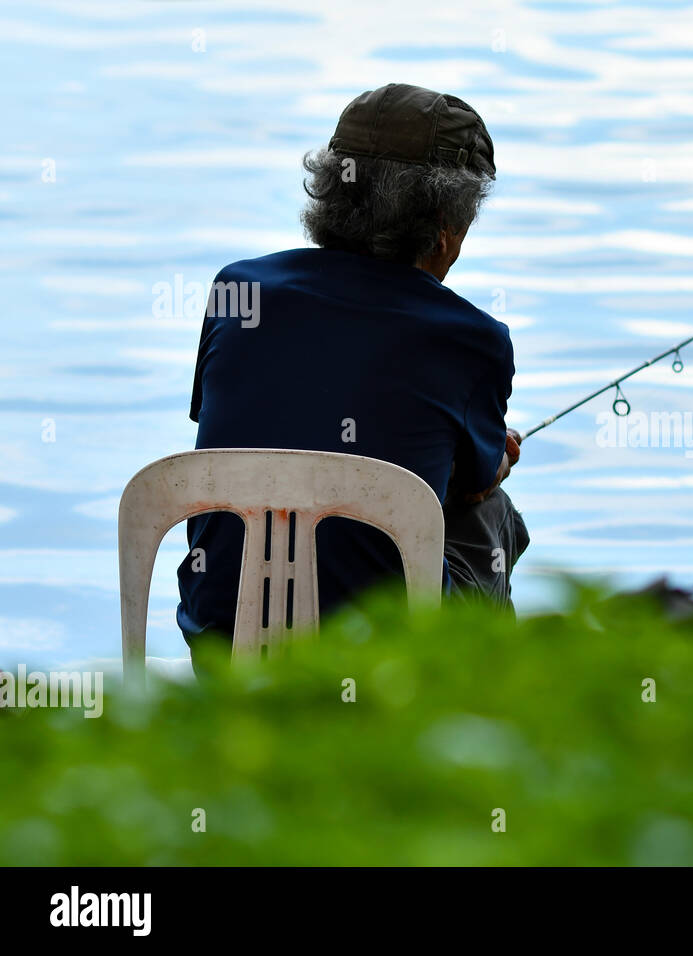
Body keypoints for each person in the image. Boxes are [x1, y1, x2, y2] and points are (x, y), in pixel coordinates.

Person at [176, 83, 528, 666]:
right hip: (384, 665)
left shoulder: (238, 289)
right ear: (445, 224)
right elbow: (469, 485)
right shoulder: (473, 338)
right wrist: (499, 458)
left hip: (220, 640)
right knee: (491, 513)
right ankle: (478, 715)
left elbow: (258, 427)